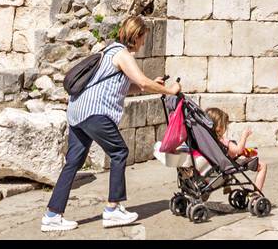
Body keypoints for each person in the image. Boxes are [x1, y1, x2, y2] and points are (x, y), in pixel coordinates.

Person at [42, 15, 181, 233]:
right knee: (119, 152)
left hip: (78, 111)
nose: (144, 43)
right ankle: (113, 209)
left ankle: (52, 215)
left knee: (73, 162)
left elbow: (132, 87)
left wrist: (152, 86)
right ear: (135, 36)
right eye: (143, 38)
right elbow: (142, 81)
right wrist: (168, 90)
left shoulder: (109, 51)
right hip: (95, 113)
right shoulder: (122, 54)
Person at [205, 107, 269, 195]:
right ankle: (257, 194)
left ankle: (225, 182)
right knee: (262, 166)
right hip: (229, 164)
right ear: (219, 128)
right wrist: (244, 136)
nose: (226, 128)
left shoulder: (206, 141)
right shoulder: (224, 142)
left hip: (216, 166)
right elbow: (239, 150)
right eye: (225, 125)